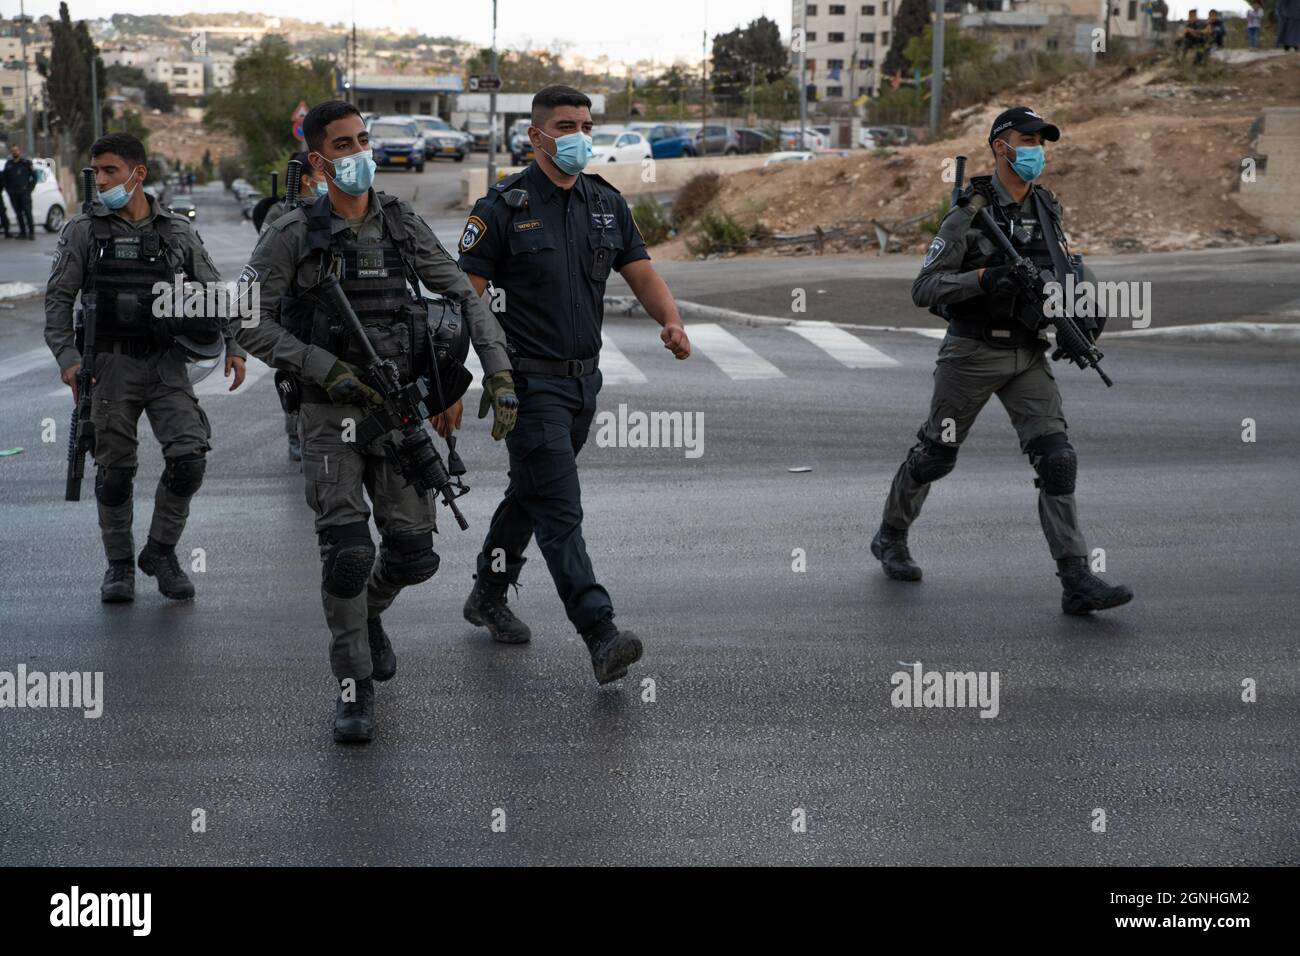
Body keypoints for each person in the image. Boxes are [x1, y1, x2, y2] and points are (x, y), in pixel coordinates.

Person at [235, 100, 516, 745]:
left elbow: (463, 295)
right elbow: (246, 317)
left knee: (416, 556)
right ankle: (352, 684)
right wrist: (321, 366)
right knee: (347, 552)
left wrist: (498, 372)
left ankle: (368, 615)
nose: (358, 153)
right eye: (343, 145)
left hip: (399, 407)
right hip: (330, 410)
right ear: (318, 160)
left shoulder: (398, 222)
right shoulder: (291, 232)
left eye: (363, 140)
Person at [457, 85, 692, 684]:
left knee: (530, 496)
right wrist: (455, 384)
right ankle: (599, 631)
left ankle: (487, 591)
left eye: (586, 125)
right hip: (526, 387)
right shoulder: (502, 209)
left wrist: (670, 319)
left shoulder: (605, 203)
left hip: (584, 384)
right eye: (566, 126)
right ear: (535, 137)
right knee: (560, 509)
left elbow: (639, 269)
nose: (579, 136)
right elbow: (467, 302)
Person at [870, 107, 1133, 616]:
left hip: (1028, 352)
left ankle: (1076, 580)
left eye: (1042, 140)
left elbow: (1065, 266)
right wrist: (985, 280)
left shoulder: (1047, 207)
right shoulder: (968, 213)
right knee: (935, 455)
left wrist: (1083, 313)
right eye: (1026, 139)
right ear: (999, 147)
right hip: (970, 352)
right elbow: (924, 288)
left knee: (1057, 459)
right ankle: (890, 536)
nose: (1036, 148)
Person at [44, 133, 247, 602]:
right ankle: (119, 566)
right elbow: (58, 300)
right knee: (114, 472)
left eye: (110, 171)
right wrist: (69, 360)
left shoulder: (175, 231)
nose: (100, 181)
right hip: (108, 365)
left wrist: (234, 344)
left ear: (139, 173)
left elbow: (216, 290)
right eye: (95, 172)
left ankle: (161, 551)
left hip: (166, 363)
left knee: (188, 459)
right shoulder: (84, 232)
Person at [257, 150, 327, 462]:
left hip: (328, 307)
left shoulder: (332, 208)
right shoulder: (280, 216)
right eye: (323, 175)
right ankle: (295, 433)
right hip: (293, 308)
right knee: (293, 378)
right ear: (307, 181)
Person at [3, 143, 38, 240]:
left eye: (16, 150)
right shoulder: (9, 164)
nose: (15, 152)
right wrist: (8, 190)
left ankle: (31, 233)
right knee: (18, 213)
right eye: (13, 151)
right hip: (13, 193)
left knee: (27, 212)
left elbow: (34, 177)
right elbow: (5, 179)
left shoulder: (26, 163)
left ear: (20, 151)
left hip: (24, 192)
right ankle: (22, 232)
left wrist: (30, 189)